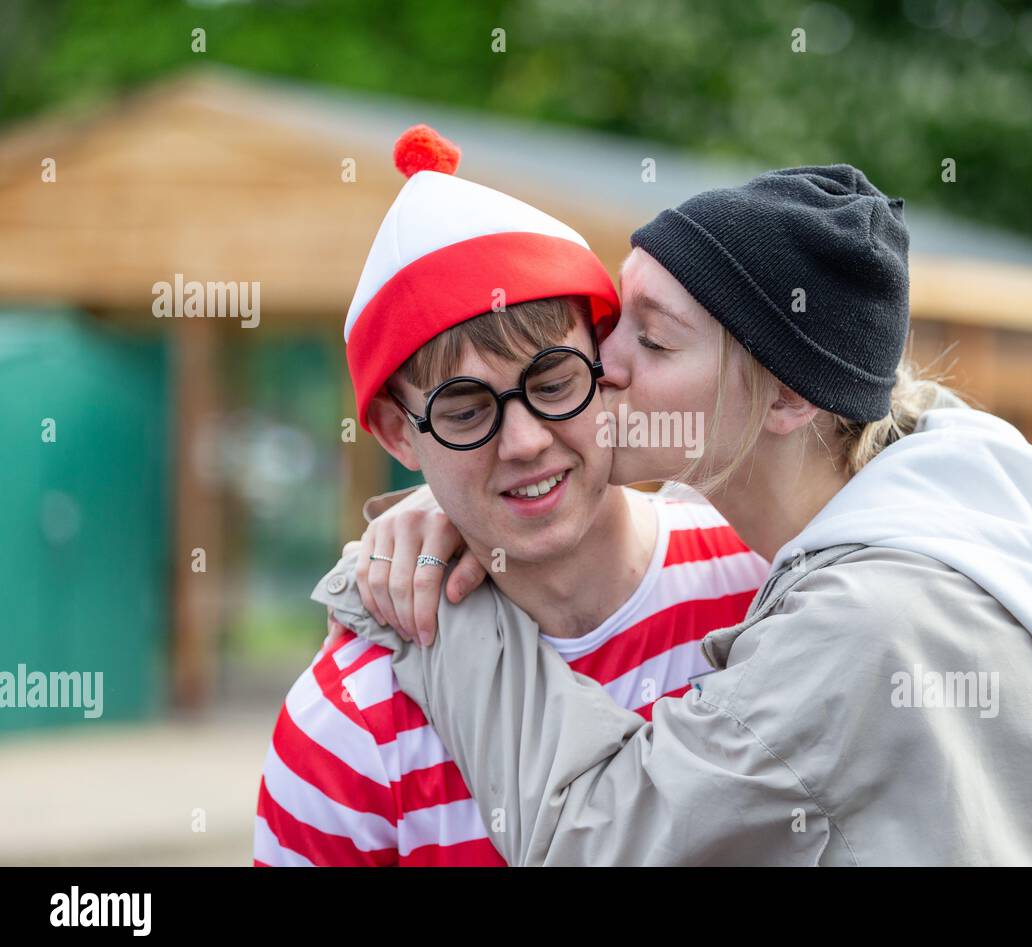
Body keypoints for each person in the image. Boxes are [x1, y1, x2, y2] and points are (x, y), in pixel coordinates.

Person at [326, 162, 1032, 864]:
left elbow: (588, 842)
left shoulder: (864, 623)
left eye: (654, 335)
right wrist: (459, 503)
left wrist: (434, 597)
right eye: (616, 321)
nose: (605, 363)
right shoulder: (939, 528)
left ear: (791, 400)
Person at [252, 126, 770, 866]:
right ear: (400, 436)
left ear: (606, 364)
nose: (524, 441)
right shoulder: (345, 725)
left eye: (554, 382)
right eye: (467, 412)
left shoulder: (763, 577)